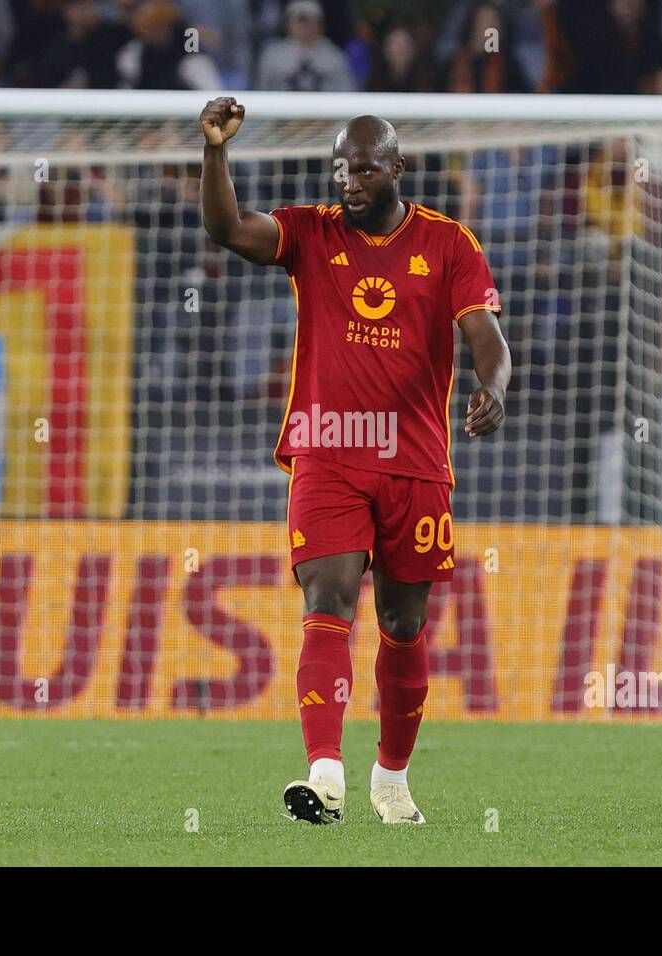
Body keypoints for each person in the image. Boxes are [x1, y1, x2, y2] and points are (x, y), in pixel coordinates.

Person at [199, 97, 511, 823]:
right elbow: (225, 228)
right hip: (327, 451)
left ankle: (391, 778)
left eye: (365, 168)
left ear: (398, 168)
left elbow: (486, 336)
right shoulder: (311, 233)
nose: (349, 180)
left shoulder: (449, 244)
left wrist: (491, 388)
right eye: (340, 167)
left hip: (415, 462)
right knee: (328, 601)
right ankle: (325, 772)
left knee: (404, 624)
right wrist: (216, 151)